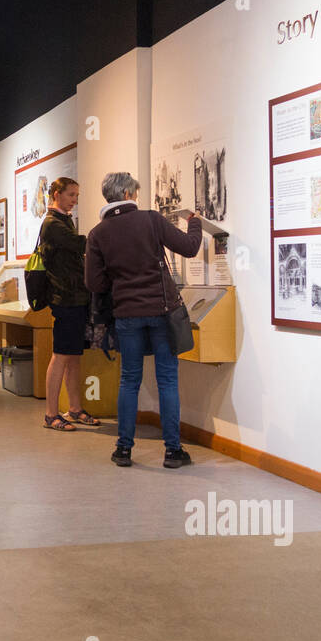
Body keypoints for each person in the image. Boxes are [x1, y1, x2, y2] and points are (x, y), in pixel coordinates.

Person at [84, 172, 201, 467]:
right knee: (167, 379)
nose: (136, 197)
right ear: (126, 194)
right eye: (135, 193)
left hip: (126, 314)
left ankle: (123, 449)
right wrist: (196, 222)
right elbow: (189, 247)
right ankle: (173, 451)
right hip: (162, 312)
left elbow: (94, 284)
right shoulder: (150, 219)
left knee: (129, 380)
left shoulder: (98, 234)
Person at [39, 177, 99, 431]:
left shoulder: (64, 221)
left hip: (76, 298)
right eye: (71, 195)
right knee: (61, 355)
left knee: (73, 356)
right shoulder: (53, 224)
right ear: (57, 194)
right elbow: (80, 244)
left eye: (77, 195)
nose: (75, 200)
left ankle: (75, 408)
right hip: (64, 299)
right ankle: (51, 414)